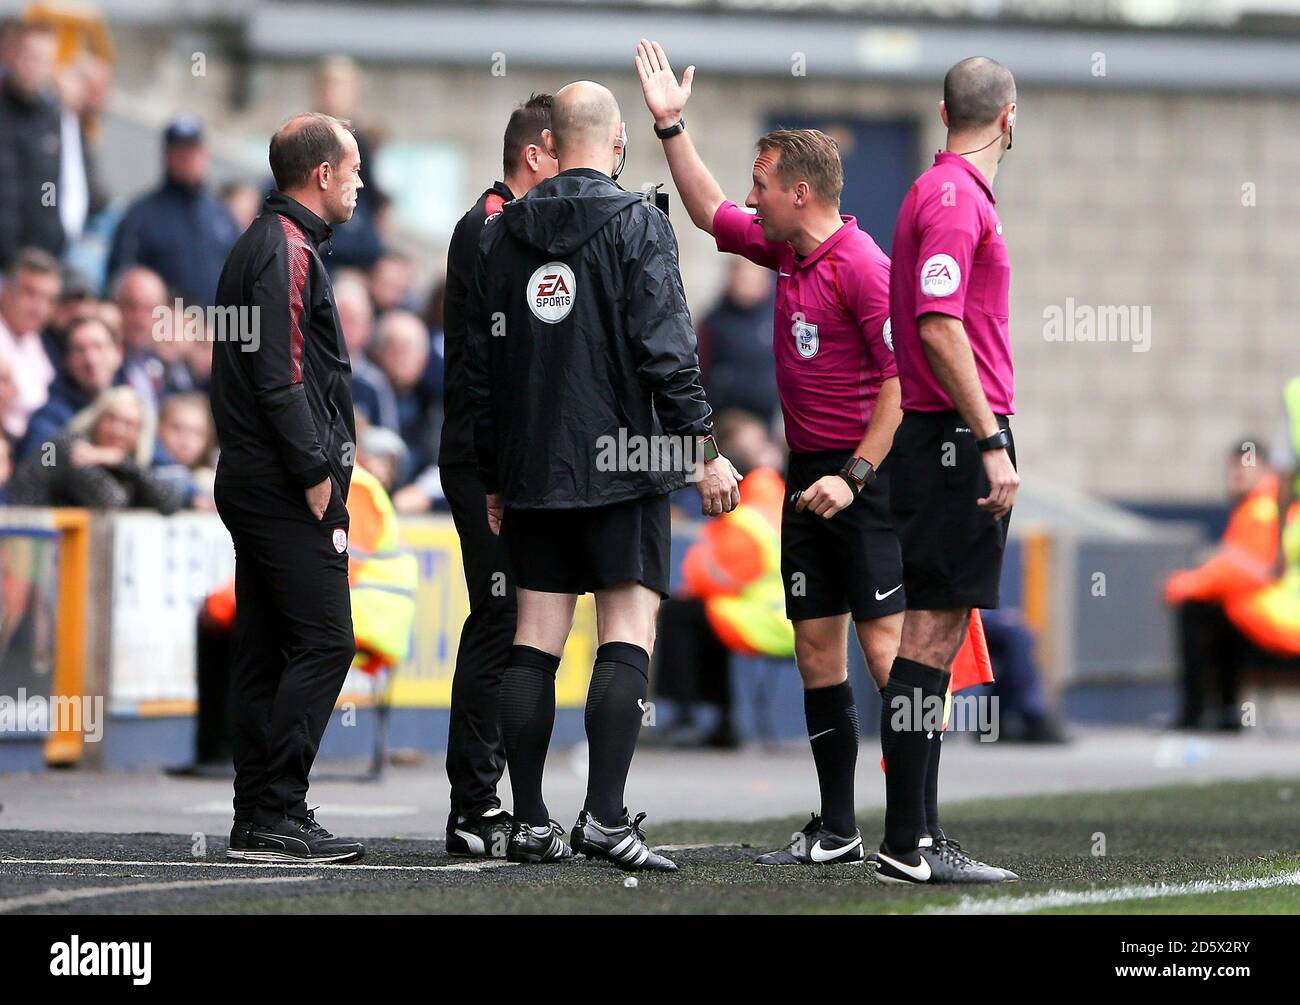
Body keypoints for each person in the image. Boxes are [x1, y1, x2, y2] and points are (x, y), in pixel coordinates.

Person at [638, 39, 903, 866]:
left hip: (868, 474)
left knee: (887, 652)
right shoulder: (784, 247)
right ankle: (838, 827)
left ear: (798, 192)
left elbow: (903, 383)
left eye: (763, 185)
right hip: (805, 474)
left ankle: (918, 825)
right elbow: (709, 206)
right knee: (817, 646)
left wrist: (857, 477)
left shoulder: (863, 265)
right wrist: (672, 128)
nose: (751, 198)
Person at [467, 80, 740, 871]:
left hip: (532, 470)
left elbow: (483, 368)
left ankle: (527, 821)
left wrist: (493, 472)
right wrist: (705, 448)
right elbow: (668, 350)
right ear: (618, 141)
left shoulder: (499, 232)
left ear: (549, 143)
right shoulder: (639, 225)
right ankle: (606, 818)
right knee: (626, 631)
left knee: (534, 640)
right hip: (624, 468)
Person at [869, 57, 1022, 884]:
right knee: (930, 637)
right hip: (956, 440)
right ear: (1009, 115)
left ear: (941, 111)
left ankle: (918, 835)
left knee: (936, 635)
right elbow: (937, 324)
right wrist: (991, 438)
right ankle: (907, 840)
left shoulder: (941, 192)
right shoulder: (958, 198)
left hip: (943, 436)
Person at [209, 112, 365, 864]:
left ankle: (257, 815)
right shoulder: (286, 248)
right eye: (354, 168)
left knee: (267, 649)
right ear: (323, 175)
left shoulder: (266, 243)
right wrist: (313, 474)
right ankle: (277, 806)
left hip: (254, 477)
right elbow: (282, 378)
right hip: (280, 483)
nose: (362, 183)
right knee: (327, 641)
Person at [440, 93, 557, 858]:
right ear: (539, 152)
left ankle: (503, 804)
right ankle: (473, 809)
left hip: (505, 460)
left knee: (514, 623)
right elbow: (483, 364)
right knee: (497, 621)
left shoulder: (509, 223)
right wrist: (495, 471)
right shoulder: (490, 226)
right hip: (487, 462)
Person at [108, 116, 240, 305]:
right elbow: (122, 277)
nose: (188, 158)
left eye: (193, 149)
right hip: (162, 326)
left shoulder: (222, 214)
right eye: (180, 151)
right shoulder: (141, 214)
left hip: (214, 327)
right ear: (166, 155)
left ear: (204, 153)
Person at [6, 386, 180, 513]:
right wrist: (119, 463)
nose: (118, 430)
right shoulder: (68, 446)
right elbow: (111, 501)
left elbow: (170, 502)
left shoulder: (124, 464)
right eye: (111, 419)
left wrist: (121, 461)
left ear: (139, 435)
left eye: (129, 424)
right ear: (96, 420)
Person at [0, 23, 74, 265]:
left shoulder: (54, 118)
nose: (35, 67)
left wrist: (54, 243)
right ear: (10, 53)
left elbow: (58, 188)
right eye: (30, 56)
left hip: (38, 261)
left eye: (44, 60)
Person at [19, 313, 122, 460]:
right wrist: (82, 455)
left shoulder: (130, 407)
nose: (91, 360)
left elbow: (161, 465)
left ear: (118, 353)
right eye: (79, 350)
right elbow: (44, 462)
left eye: (99, 347)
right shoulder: (50, 417)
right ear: (66, 361)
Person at [0, 249, 61, 440]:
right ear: (7, 290)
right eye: (30, 293)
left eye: (49, 299)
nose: (39, 308)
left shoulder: (43, 344)